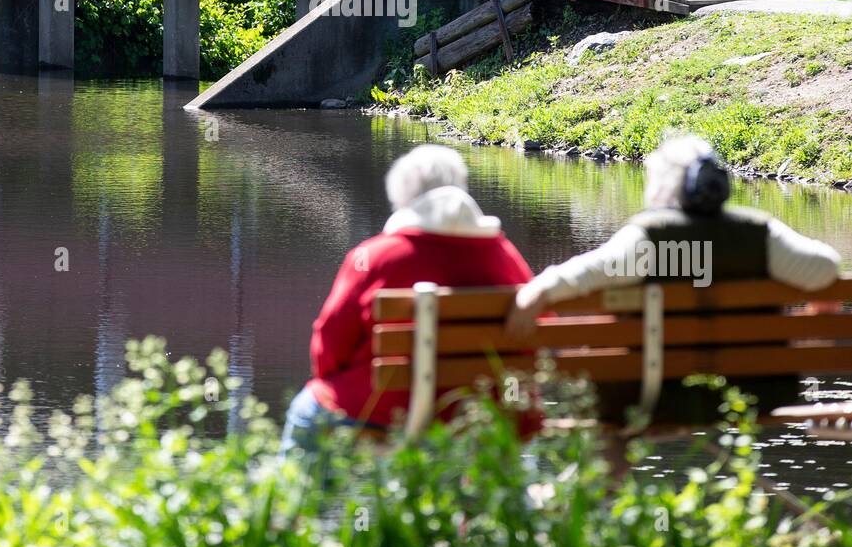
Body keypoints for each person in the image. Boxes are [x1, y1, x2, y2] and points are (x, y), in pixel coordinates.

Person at [281, 144, 535, 453]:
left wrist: (336, 384)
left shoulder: (375, 257)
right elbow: (534, 336)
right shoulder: (505, 256)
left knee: (306, 413)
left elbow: (329, 348)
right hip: (480, 413)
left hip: (381, 411)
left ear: (403, 201)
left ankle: (298, 501)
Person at [505, 134, 843, 345]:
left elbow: (585, 273)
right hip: (755, 393)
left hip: (657, 394)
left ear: (664, 185)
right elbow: (825, 266)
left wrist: (537, 290)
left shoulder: (651, 239)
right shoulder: (759, 233)